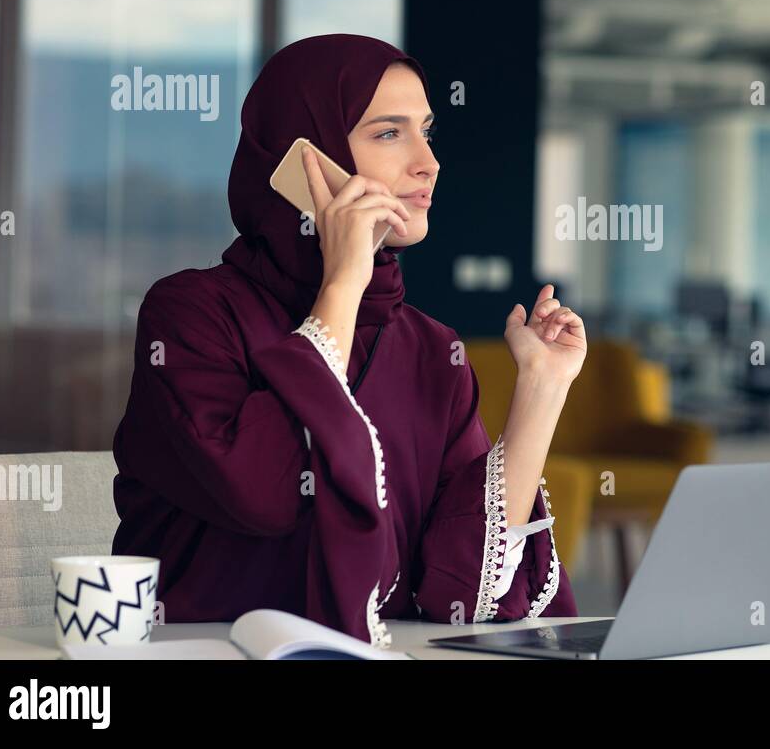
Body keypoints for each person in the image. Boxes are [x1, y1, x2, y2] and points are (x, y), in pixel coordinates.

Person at [111, 33, 582, 647]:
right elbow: (264, 494)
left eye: (426, 132)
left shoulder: (433, 350)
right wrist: (341, 287)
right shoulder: (191, 314)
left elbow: (462, 596)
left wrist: (542, 390)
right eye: (389, 133)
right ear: (304, 159)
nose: (428, 162)